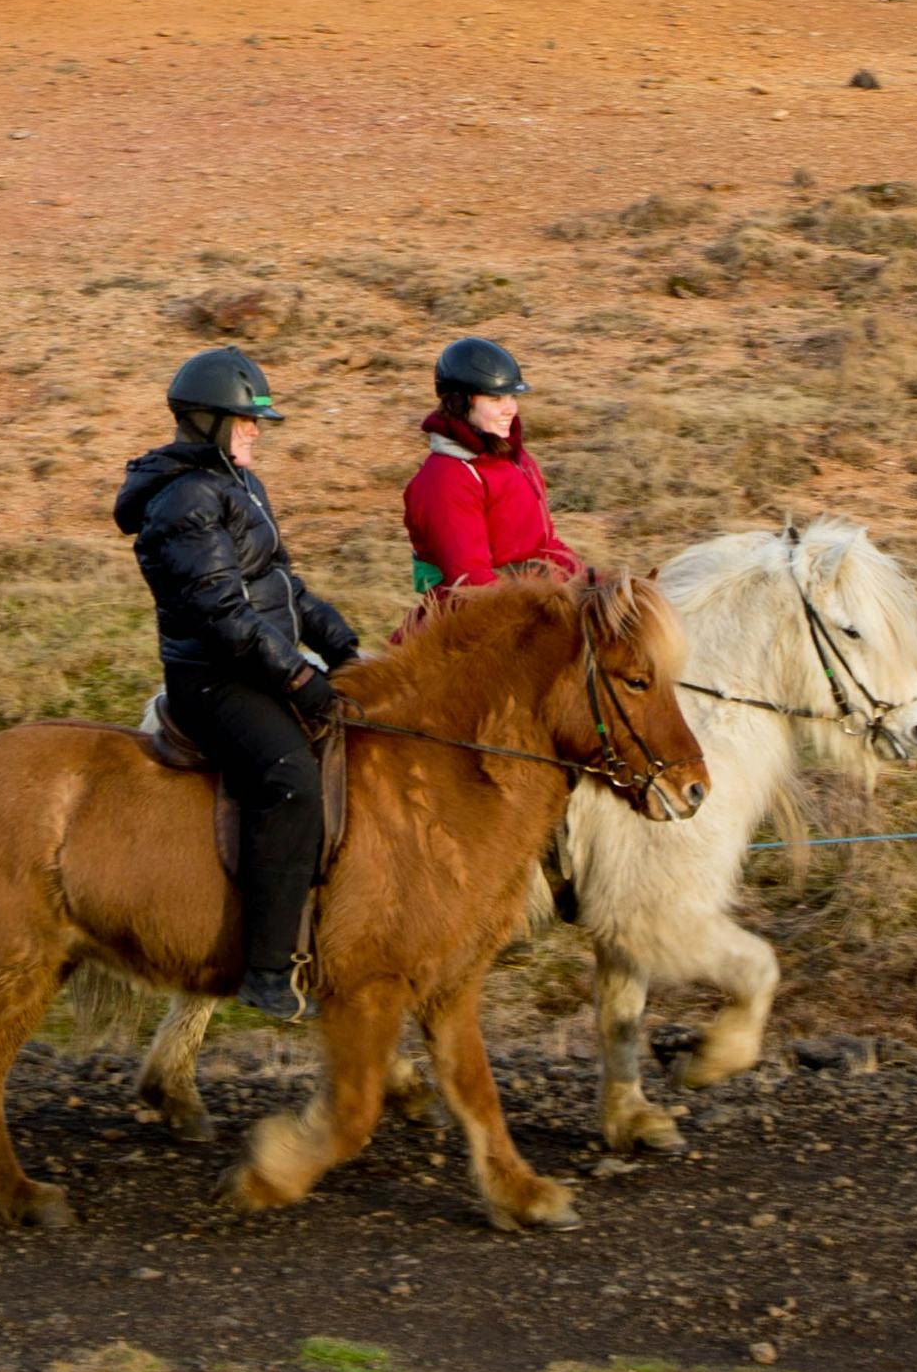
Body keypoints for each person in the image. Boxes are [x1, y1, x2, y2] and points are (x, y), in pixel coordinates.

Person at [113, 346, 361, 1021]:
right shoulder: (186, 500)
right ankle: (267, 967)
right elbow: (223, 615)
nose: (256, 430)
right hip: (215, 680)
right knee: (289, 777)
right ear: (204, 422)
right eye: (244, 420)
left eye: (257, 421)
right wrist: (299, 677)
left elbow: (282, 585)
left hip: (260, 664)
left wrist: (341, 644)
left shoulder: (240, 484)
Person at [403, 336, 585, 593]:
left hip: (536, 594)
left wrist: (591, 583)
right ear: (459, 404)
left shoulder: (514, 459)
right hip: (486, 617)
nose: (510, 409)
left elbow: (543, 546)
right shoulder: (447, 480)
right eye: (496, 400)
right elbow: (471, 583)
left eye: (511, 397)